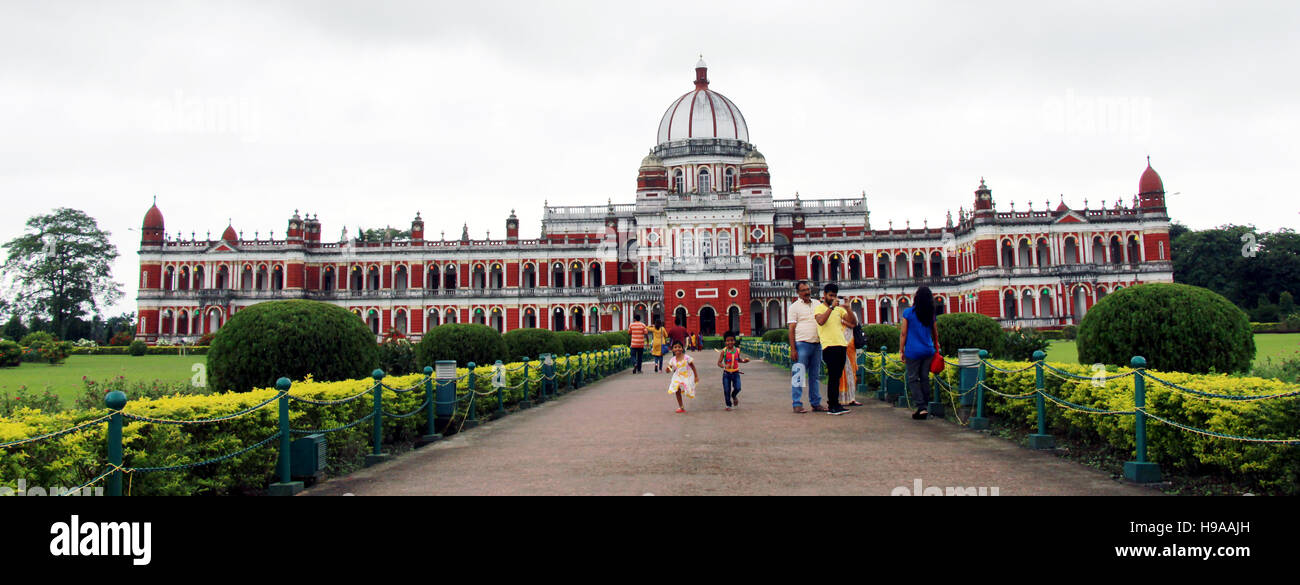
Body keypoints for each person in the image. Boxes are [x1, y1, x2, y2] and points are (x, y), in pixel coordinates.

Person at [815, 282, 857, 415]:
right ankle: (832, 405)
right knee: (833, 376)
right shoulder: (820, 308)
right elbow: (821, 321)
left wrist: (848, 308)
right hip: (829, 346)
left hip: (841, 345)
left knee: (837, 376)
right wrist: (831, 308)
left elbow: (853, 323)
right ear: (824, 295)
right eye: (830, 295)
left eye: (834, 296)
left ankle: (836, 404)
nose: (833, 298)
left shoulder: (840, 310)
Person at [899, 286, 940, 420]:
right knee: (924, 378)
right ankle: (924, 406)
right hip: (928, 350)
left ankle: (921, 407)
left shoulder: (908, 313)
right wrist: (936, 345)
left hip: (913, 351)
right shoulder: (930, 314)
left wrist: (901, 350)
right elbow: (935, 333)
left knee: (912, 379)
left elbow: (904, 333)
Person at [787, 280, 823, 413]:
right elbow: (791, 329)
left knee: (815, 376)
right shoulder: (794, 307)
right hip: (802, 344)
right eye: (803, 290)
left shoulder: (817, 304)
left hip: (816, 344)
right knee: (798, 375)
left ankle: (815, 402)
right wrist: (793, 349)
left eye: (808, 289)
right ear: (798, 292)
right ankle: (797, 403)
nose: (807, 292)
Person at [716, 331, 750, 411]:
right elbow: (719, 363)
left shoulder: (737, 350)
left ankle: (734, 396)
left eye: (732, 340)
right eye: (728, 341)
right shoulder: (723, 352)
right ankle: (728, 405)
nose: (730, 342)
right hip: (726, 374)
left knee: (738, 388)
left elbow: (739, 360)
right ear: (725, 342)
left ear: (734, 341)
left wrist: (745, 361)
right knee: (726, 390)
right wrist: (724, 366)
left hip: (735, 373)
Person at [665, 341, 698, 413]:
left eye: (679, 347)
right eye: (675, 347)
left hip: (687, 375)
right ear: (672, 349)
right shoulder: (672, 360)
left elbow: (692, 366)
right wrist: (667, 369)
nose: (677, 349)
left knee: (688, 390)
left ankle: (687, 393)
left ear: (682, 348)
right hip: (677, 376)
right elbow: (669, 369)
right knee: (677, 389)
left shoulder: (687, 357)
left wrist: (696, 376)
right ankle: (681, 407)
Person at [840, 315, 862, 407]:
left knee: (851, 372)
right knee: (840, 374)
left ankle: (851, 398)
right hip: (839, 345)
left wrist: (843, 320)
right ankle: (841, 398)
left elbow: (854, 324)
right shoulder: (833, 311)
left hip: (850, 346)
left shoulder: (851, 313)